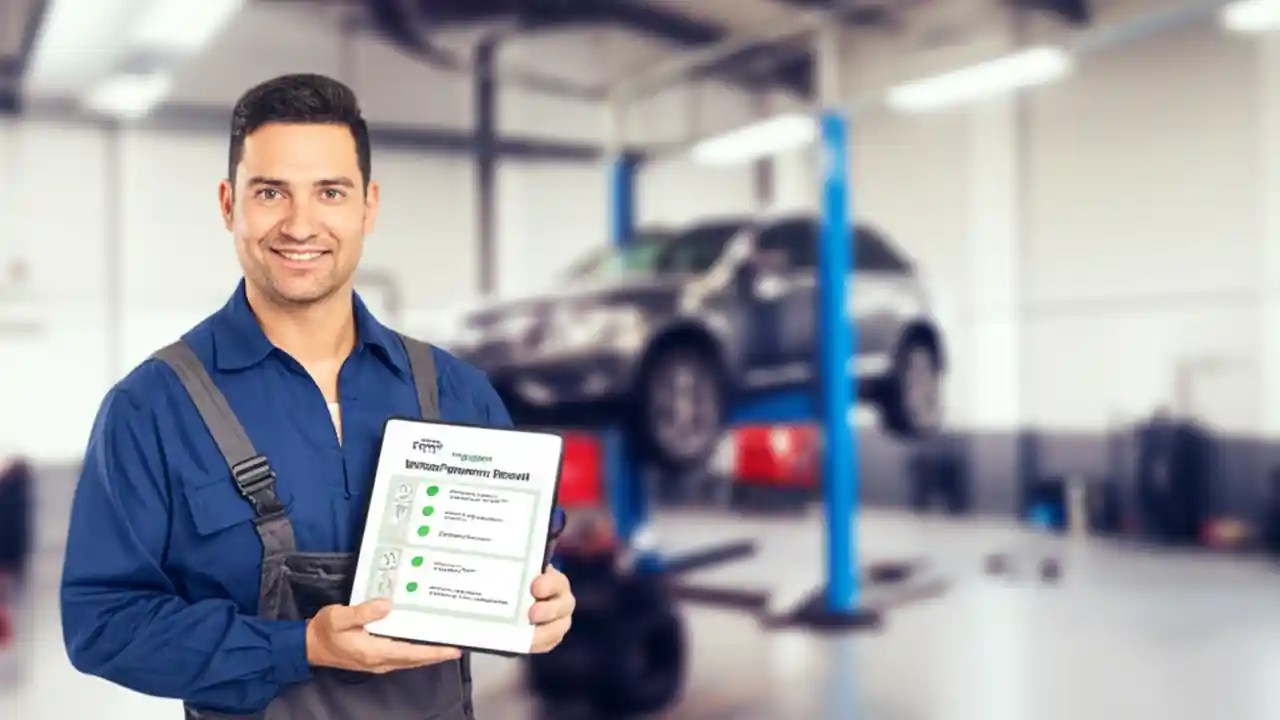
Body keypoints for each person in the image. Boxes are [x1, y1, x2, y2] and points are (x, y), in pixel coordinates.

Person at [59, 73, 575, 719]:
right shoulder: (151, 409)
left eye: (330, 192)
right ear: (229, 204)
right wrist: (299, 646)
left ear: (368, 207)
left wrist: (549, 598)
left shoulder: (457, 391)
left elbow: (530, 554)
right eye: (270, 192)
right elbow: (103, 625)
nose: (300, 224)